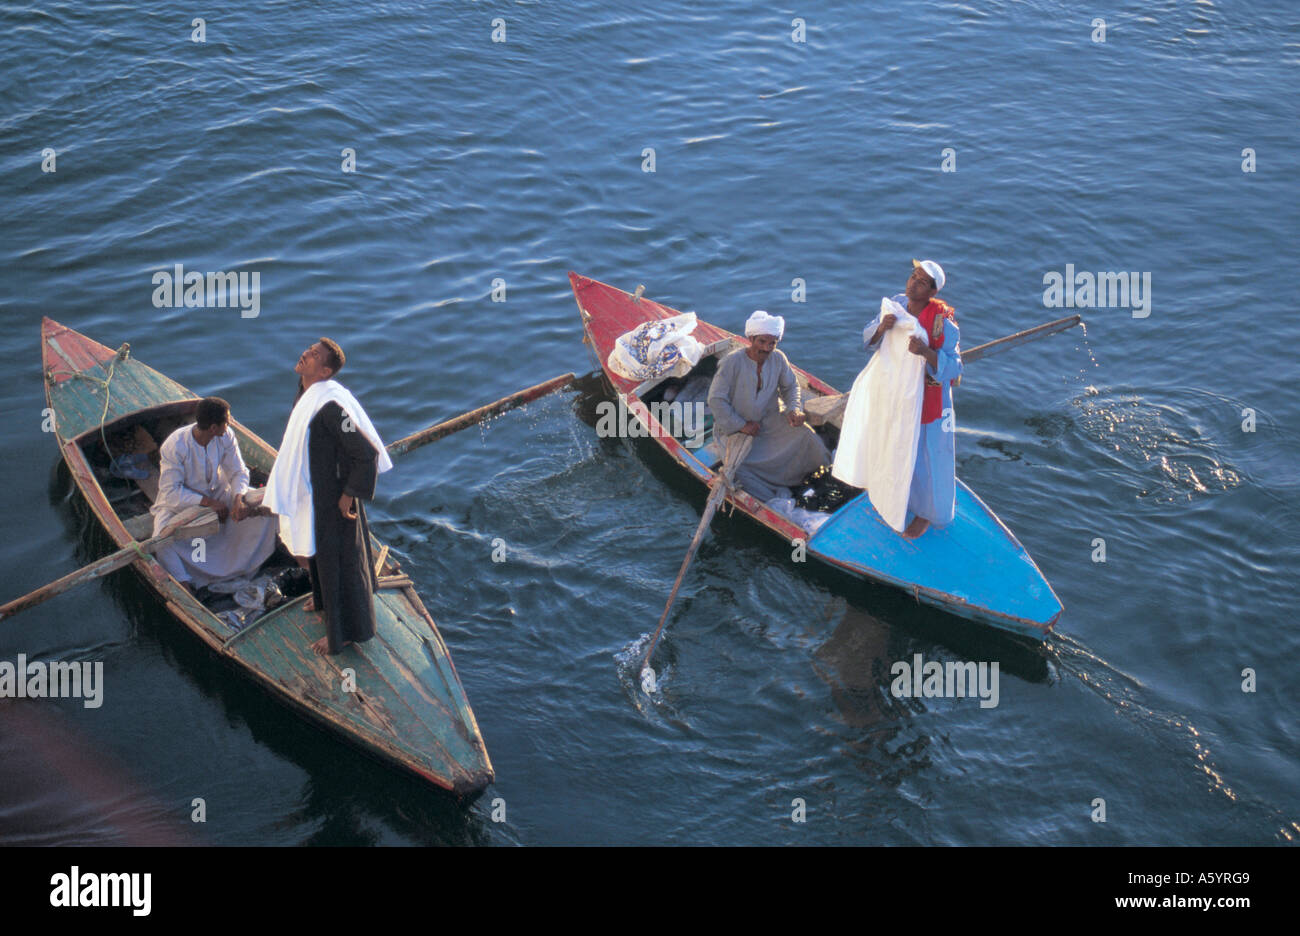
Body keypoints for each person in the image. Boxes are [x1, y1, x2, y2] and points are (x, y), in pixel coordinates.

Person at [264, 338, 393, 656]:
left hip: (334, 498)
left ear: (324, 372)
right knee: (317, 554)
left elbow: (364, 453)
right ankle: (322, 601)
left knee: (339, 564)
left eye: (314, 356)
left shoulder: (331, 407)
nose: (305, 354)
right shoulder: (306, 391)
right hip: (313, 490)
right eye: (308, 349)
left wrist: (348, 497)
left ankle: (345, 633)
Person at [860, 259, 962, 538]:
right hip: (894, 394)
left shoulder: (943, 323)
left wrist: (926, 353)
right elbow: (866, 340)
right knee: (892, 444)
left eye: (921, 281)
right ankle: (891, 496)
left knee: (928, 457)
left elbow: (955, 367)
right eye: (912, 276)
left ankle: (927, 512)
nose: (912, 283)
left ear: (932, 291)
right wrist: (882, 328)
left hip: (927, 399)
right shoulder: (895, 305)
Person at [150, 397, 279, 586]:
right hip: (182, 505)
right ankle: (187, 584)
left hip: (219, 493)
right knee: (160, 540)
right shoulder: (176, 445)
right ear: (213, 428)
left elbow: (238, 471)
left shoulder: (226, 436)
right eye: (227, 421)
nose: (230, 423)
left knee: (268, 511)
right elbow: (171, 493)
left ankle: (246, 563)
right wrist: (208, 503)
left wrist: (238, 498)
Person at [707, 310, 830, 503]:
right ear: (751, 338)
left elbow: (790, 387)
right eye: (761, 341)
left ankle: (825, 477)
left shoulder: (778, 358)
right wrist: (741, 425)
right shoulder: (732, 362)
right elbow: (716, 400)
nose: (766, 348)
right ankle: (776, 498)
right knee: (740, 469)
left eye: (772, 343)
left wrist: (793, 409)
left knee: (807, 437)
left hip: (771, 421)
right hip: (737, 430)